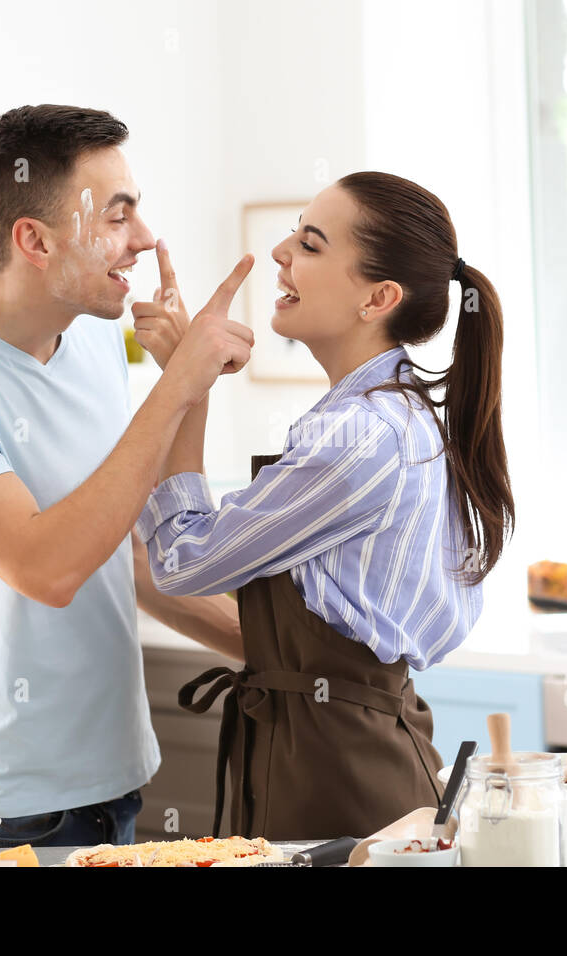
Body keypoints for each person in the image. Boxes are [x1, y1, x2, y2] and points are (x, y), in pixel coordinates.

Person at [0, 104, 255, 847]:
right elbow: (47, 566)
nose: (143, 240)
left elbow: (129, 553)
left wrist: (297, 660)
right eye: (116, 217)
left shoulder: (95, 345)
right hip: (8, 807)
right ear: (35, 241)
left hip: (119, 782)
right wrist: (177, 383)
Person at [133, 171, 515, 840]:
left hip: (342, 778)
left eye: (310, 244)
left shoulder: (360, 437)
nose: (282, 254)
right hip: (331, 758)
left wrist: (185, 383)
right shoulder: (390, 420)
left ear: (379, 298)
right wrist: (185, 379)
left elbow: (184, 560)